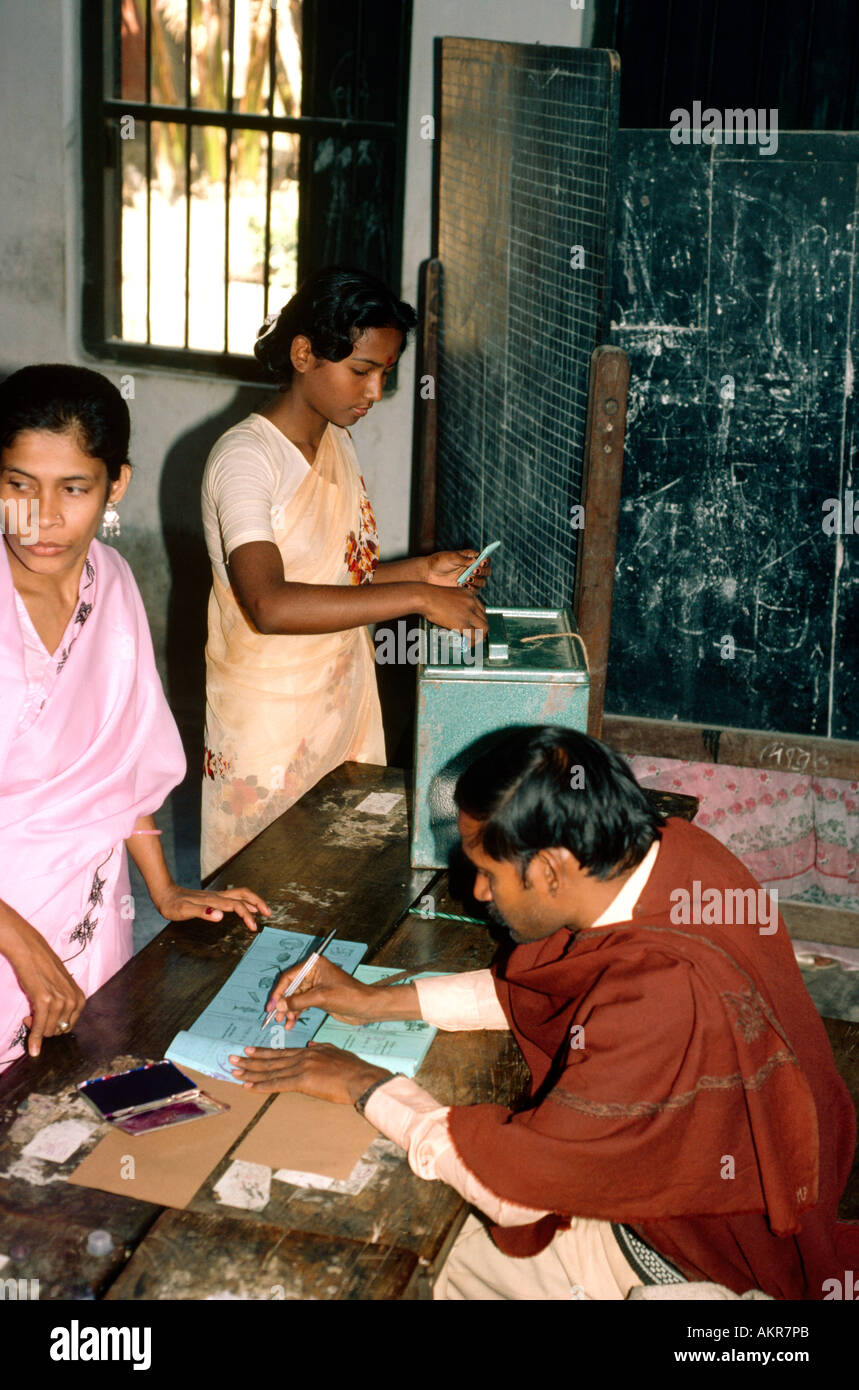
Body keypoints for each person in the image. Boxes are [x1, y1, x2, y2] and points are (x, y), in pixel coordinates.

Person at [229, 725, 859, 1301]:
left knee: (387, 1266)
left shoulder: (663, 996)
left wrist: (364, 1084)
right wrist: (379, 999)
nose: (476, 892)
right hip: (692, 1200)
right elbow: (563, 989)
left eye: (487, 872)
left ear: (552, 870)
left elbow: (517, 1192)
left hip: (700, 1267)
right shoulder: (676, 853)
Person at [0, 364, 269, 1071]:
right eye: (18, 485)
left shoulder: (111, 584)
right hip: (7, 924)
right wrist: (22, 944)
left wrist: (162, 886)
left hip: (89, 906)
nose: (41, 518)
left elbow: (125, 766)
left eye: (74, 489)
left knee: (71, 1102)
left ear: (115, 484)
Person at [200, 266, 489, 877]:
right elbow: (271, 604)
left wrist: (424, 572)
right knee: (267, 886)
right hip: (270, 720)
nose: (375, 392)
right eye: (362, 371)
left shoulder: (336, 440)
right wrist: (415, 597)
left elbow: (340, 578)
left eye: (386, 373)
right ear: (303, 353)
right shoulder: (246, 459)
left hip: (340, 699)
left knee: (340, 878)